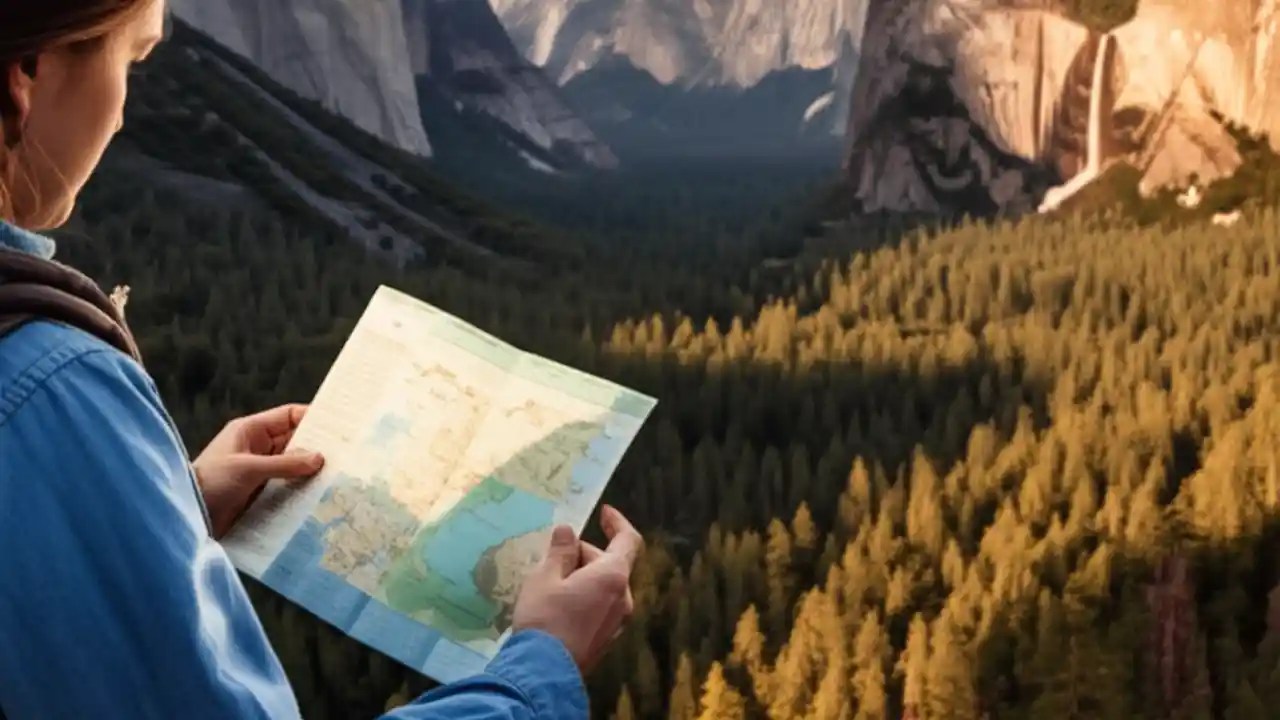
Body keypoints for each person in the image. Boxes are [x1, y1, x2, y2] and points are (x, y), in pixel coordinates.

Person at [0, 1, 641, 718]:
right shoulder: (51, 385)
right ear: (27, 74)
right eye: (133, 59)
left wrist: (164, 508)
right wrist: (536, 670)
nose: (122, 117)